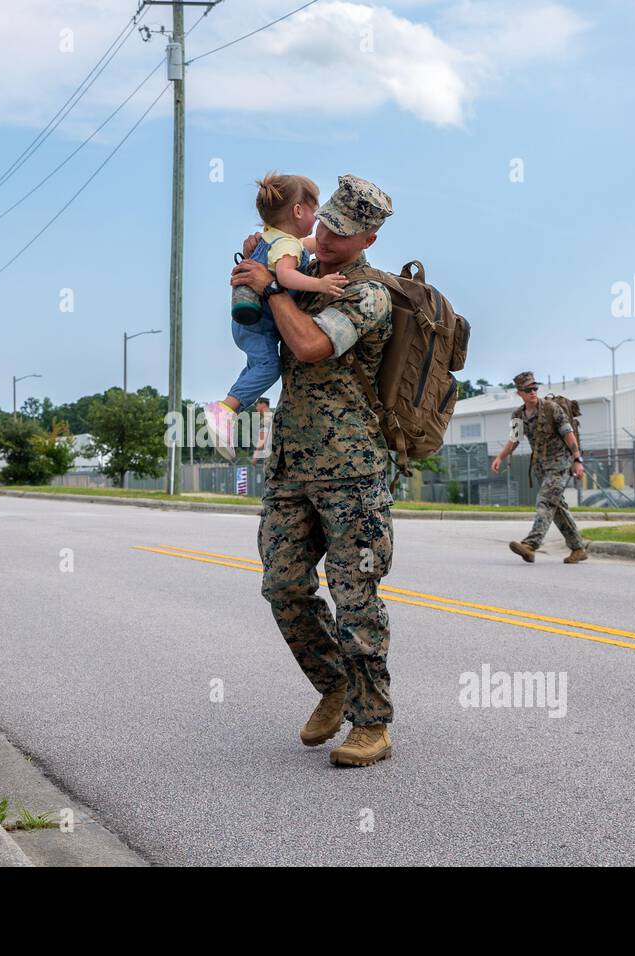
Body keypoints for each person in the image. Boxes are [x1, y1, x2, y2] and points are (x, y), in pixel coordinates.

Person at [231, 174, 396, 768]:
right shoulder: (301, 268)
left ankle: (372, 722)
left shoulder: (368, 296)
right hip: (291, 464)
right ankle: (334, 684)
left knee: (355, 596)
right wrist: (260, 262)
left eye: (342, 234)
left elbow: (307, 347)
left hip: (353, 470)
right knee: (283, 586)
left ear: (369, 239)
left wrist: (272, 288)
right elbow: (263, 337)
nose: (325, 239)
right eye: (323, 223)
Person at [206, 173, 347, 459]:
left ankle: (227, 414)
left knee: (255, 368)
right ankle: (224, 411)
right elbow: (285, 274)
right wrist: (319, 284)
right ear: (298, 211)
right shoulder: (287, 246)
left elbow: (308, 245)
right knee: (269, 368)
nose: (318, 219)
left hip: (249, 324)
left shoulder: (272, 237)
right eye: (315, 211)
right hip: (261, 326)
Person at [489, 371, 587, 563]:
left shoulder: (552, 408)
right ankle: (578, 548)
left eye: (535, 388)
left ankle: (530, 545)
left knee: (545, 501)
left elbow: (568, 434)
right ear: (520, 393)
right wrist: (500, 457)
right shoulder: (518, 415)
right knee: (557, 507)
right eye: (528, 389)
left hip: (560, 462)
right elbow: (514, 439)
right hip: (542, 466)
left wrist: (577, 460)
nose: (533, 392)